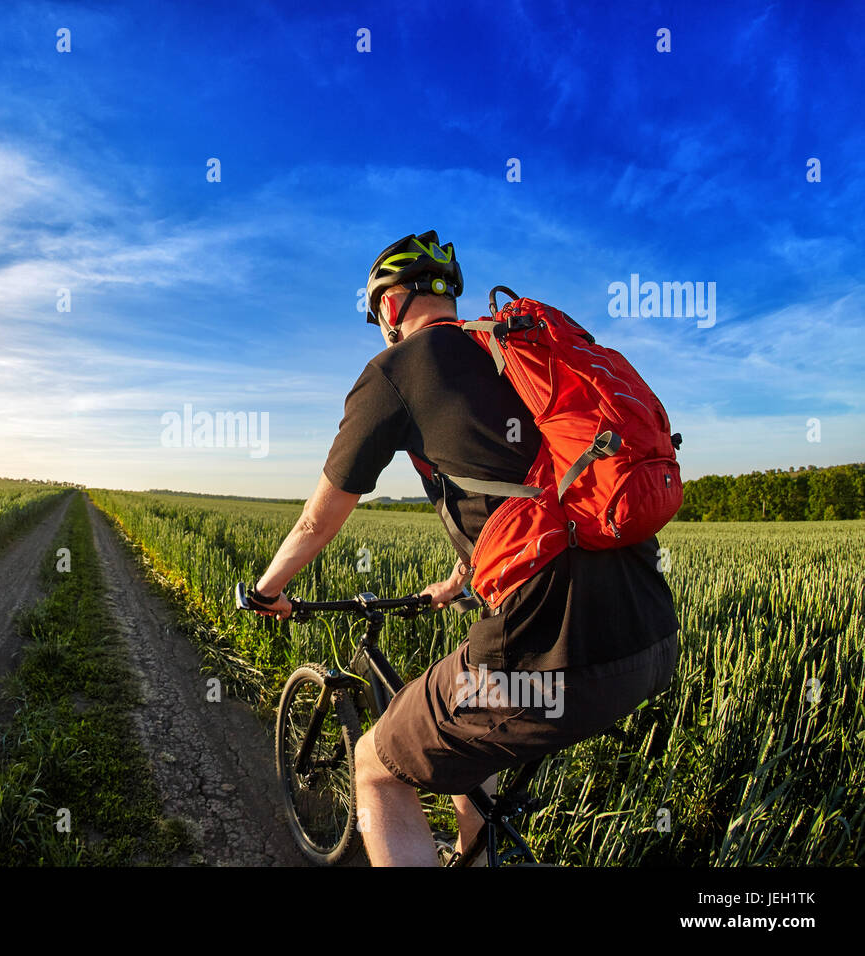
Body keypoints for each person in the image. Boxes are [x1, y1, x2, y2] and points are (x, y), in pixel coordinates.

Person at [246, 230, 680, 866]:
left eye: (375, 315)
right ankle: (475, 855)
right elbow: (535, 493)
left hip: (551, 640)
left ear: (390, 308)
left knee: (374, 767)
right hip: (649, 630)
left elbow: (319, 518)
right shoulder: (506, 352)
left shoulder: (394, 372)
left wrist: (268, 589)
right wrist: (456, 581)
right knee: (472, 743)